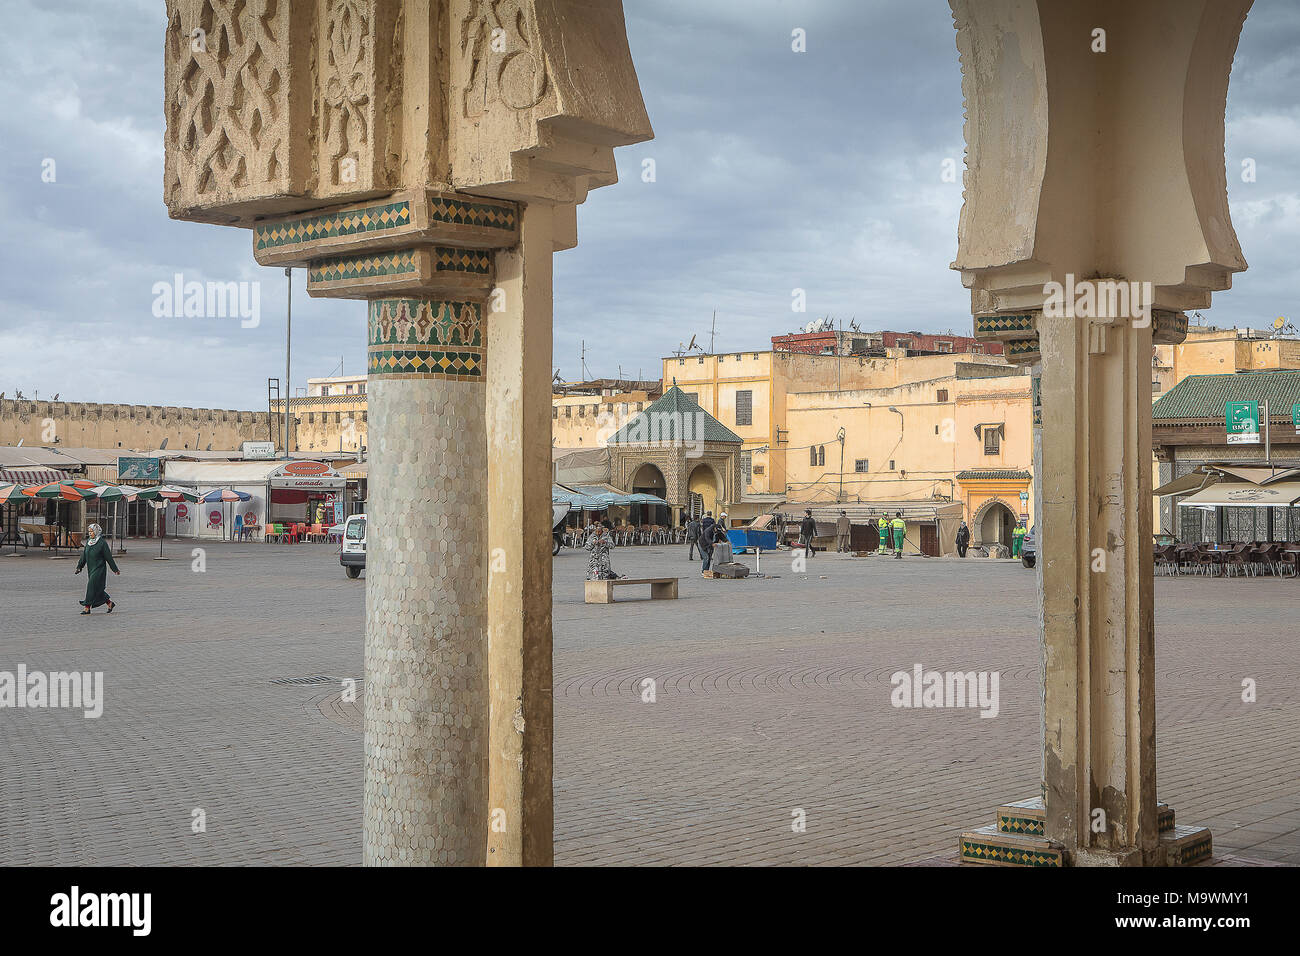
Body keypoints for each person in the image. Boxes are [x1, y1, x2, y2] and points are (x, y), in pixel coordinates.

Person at [74, 523, 119, 614]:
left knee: (91, 586)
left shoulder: (102, 543)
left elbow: (109, 557)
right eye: (89, 532)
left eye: (92, 532)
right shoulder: (89, 542)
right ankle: (109, 603)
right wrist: (79, 566)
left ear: (96, 531)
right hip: (91, 569)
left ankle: (87, 607)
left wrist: (115, 569)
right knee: (97, 589)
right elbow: (84, 555)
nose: (90, 533)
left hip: (99, 569)